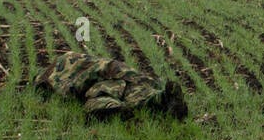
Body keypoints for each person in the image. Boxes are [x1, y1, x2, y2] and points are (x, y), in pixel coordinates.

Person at [33, 50, 188, 118]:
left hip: (104, 75)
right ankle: (160, 98)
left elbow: (79, 81)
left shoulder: (56, 69)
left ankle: (112, 107)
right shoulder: (63, 64)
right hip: (121, 73)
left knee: (104, 93)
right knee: (138, 88)